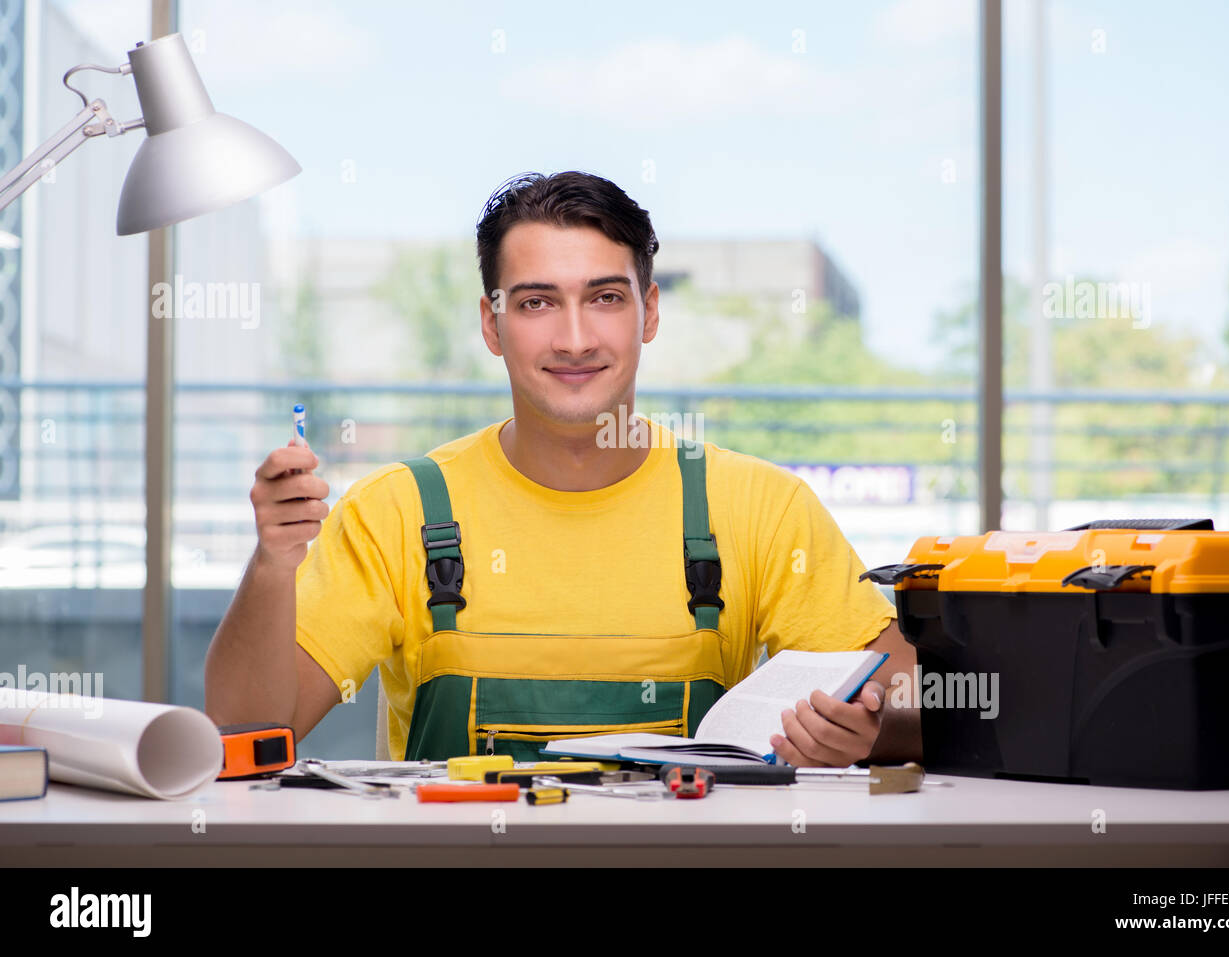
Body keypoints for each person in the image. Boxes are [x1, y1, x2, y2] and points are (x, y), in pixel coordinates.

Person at [205, 170, 919, 767]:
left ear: (649, 312)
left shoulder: (758, 506)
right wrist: (273, 563)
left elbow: (914, 696)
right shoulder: (400, 510)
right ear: (492, 323)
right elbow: (245, 736)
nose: (574, 338)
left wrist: (870, 727)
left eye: (605, 298)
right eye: (537, 301)